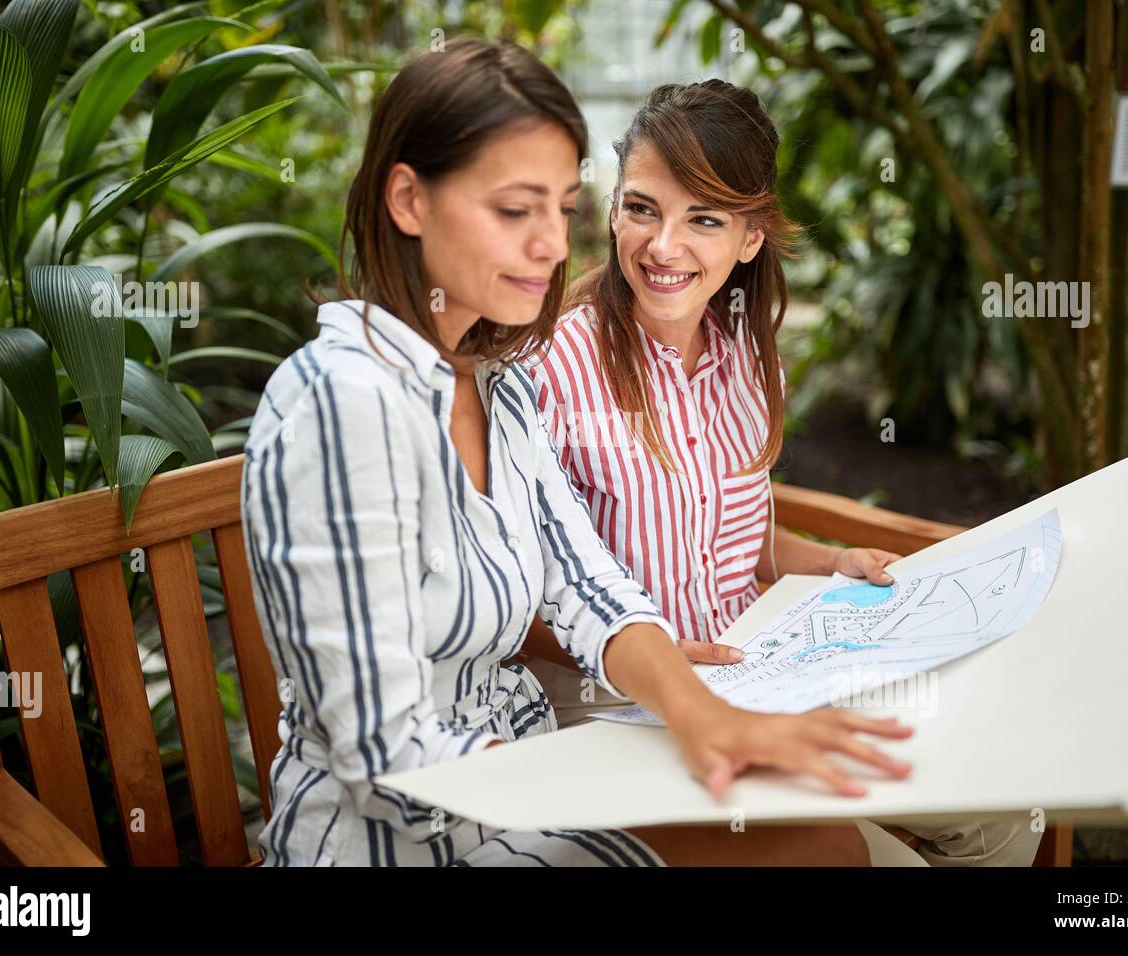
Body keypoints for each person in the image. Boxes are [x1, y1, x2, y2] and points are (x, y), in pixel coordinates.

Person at [240, 39, 912, 867]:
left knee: (827, 843)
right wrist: (615, 781)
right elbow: (385, 760)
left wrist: (706, 716)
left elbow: (592, 587)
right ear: (408, 200)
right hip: (405, 839)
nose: (555, 247)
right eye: (515, 210)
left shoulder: (495, 388)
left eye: (561, 209)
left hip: (525, 787)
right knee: (821, 849)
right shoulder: (336, 404)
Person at [521, 79, 1039, 867]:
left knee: (1010, 823)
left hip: (760, 671)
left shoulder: (747, 362)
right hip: (617, 709)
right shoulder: (555, 368)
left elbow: (735, 532)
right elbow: (512, 594)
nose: (663, 246)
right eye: (641, 208)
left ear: (751, 237)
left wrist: (833, 561)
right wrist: (645, 657)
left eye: (705, 219)